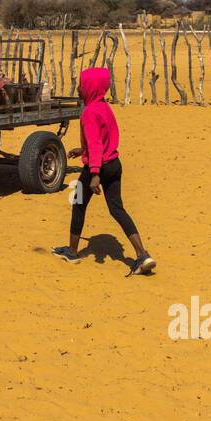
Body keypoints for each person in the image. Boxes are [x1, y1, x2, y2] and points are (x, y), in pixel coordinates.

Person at [52, 66, 157, 276]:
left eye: (82, 85)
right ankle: (142, 254)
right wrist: (82, 150)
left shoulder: (89, 112)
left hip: (98, 167)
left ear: (91, 88)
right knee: (117, 209)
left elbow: (96, 145)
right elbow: (102, 139)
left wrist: (95, 174)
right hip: (114, 164)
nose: (79, 89)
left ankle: (72, 252)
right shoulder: (104, 107)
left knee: (78, 204)